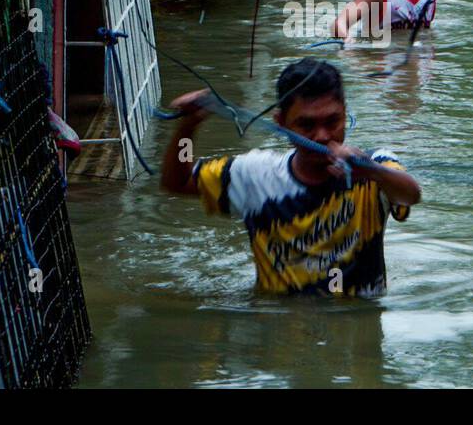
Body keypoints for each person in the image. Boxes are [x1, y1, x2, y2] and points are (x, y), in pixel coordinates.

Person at [159, 58, 422, 297]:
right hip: (281, 328)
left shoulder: (375, 167)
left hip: (357, 330)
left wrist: (371, 172)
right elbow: (178, 181)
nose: (321, 136)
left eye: (332, 121)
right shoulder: (255, 175)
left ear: (345, 114)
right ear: (281, 123)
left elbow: (410, 195)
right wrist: (188, 128)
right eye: (306, 125)